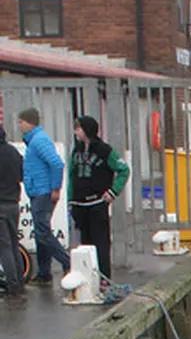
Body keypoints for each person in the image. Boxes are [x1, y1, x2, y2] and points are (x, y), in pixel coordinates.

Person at [67, 115, 130, 283]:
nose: (76, 131)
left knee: (100, 242)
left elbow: (124, 170)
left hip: (97, 204)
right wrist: (70, 199)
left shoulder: (105, 150)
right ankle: (88, 276)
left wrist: (113, 191)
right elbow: (72, 175)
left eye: (78, 127)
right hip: (79, 204)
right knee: (85, 244)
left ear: (87, 130)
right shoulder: (77, 150)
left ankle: (104, 278)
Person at [16, 108, 72, 285]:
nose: (19, 125)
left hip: (42, 192)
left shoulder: (39, 141)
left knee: (43, 233)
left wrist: (55, 188)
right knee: (42, 232)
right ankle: (44, 272)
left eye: (21, 122)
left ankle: (67, 262)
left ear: (29, 122)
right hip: (37, 191)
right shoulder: (34, 140)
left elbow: (57, 163)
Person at [0, 127, 24, 300]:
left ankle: (12, 286)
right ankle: (19, 282)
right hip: (13, 203)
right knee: (14, 244)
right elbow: (22, 175)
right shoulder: (13, 152)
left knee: (4, 247)